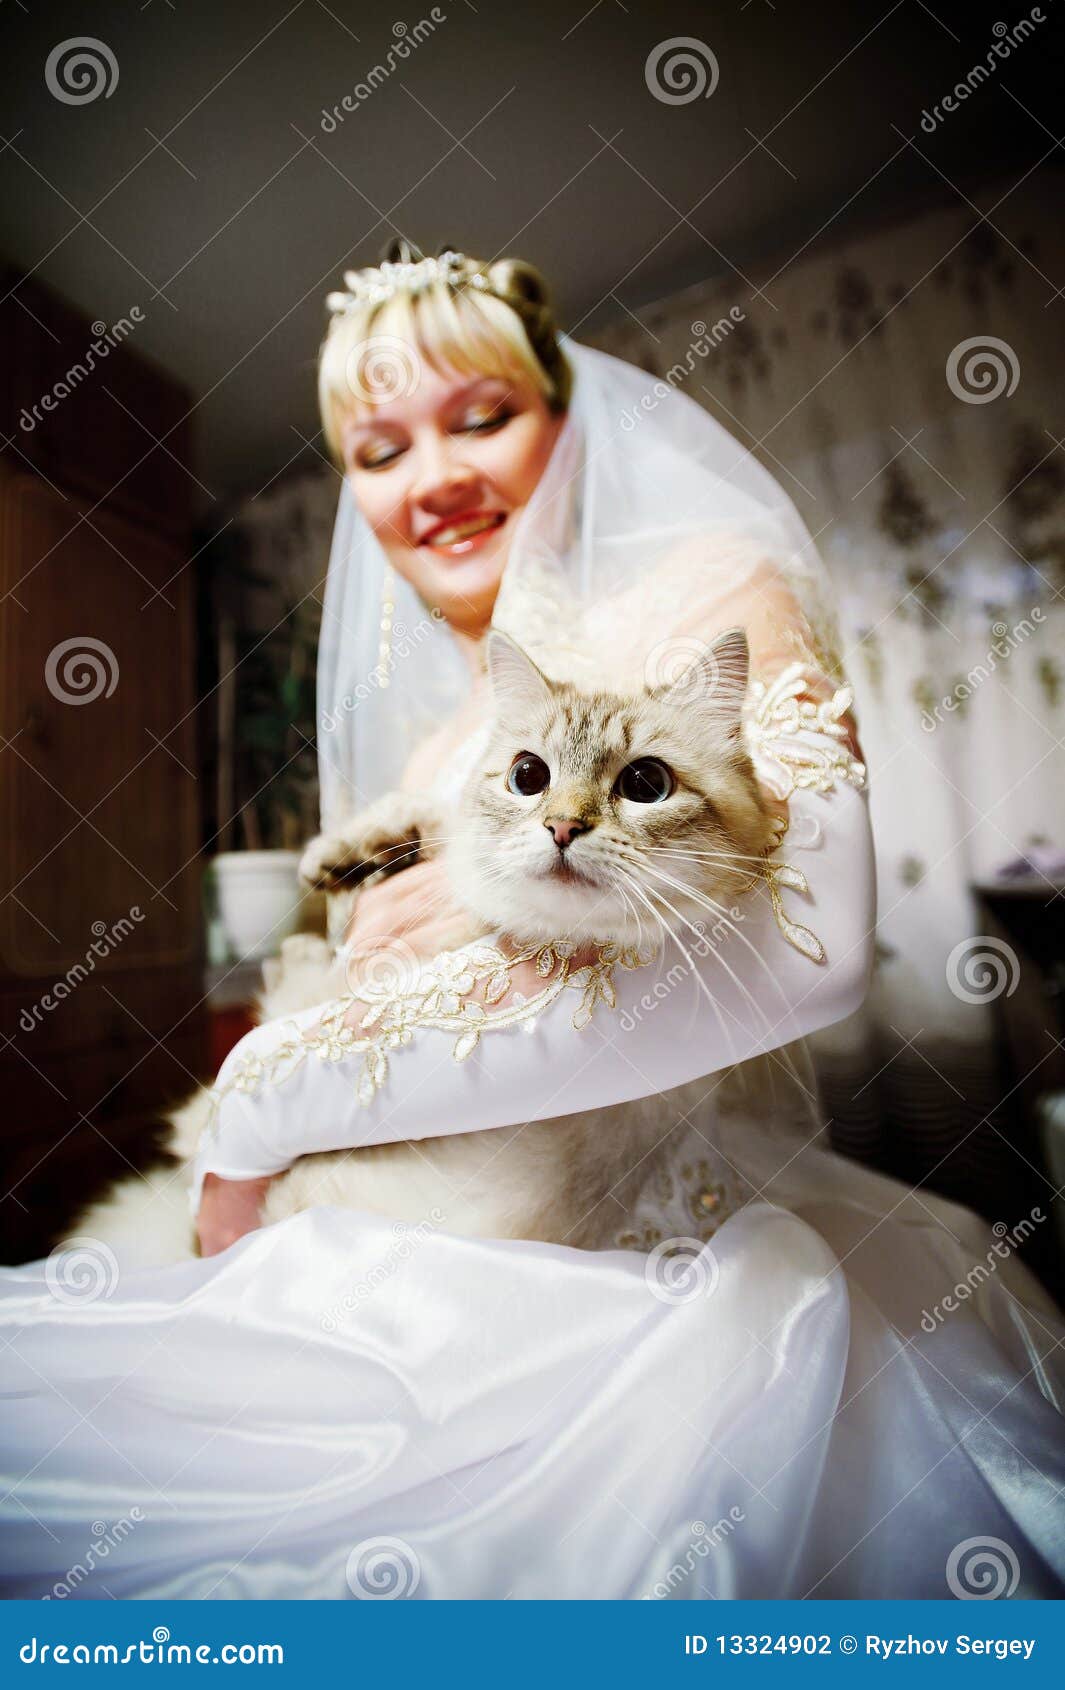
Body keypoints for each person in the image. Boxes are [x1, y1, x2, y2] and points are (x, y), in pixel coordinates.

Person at [0, 246, 1062, 1602]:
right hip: (361, 1236)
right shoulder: (461, 715)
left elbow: (811, 944)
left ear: (566, 417)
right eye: (375, 447)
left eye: (481, 417)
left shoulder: (704, 594)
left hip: (608, 1277)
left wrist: (259, 1100)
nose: (429, 478)